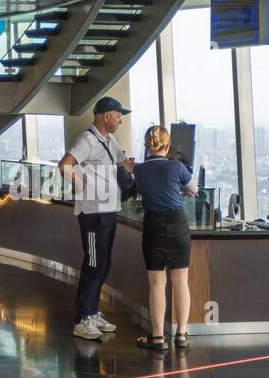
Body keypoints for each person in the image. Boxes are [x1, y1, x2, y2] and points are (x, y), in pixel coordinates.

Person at [57, 96, 136, 340]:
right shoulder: (86, 140)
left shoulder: (109, 140)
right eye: (118, 114)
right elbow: (64, 166)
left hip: (109, 211)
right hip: (93, 214)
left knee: (103, 264)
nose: (121, 119)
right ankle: (82, 319)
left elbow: (125, 164)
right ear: (105, 115)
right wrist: (83, 187)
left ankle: (92, 312)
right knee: (93, 264)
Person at [132, 125, 199, 350]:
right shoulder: (177, 167)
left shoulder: (139, 170)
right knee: (180, 281)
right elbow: (193, 188)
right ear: (168, 146)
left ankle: (158, 337)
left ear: (146, 147)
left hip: (153, 225)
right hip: (177, 224)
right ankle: (181, 334)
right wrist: (184, 189)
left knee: (156, 284)